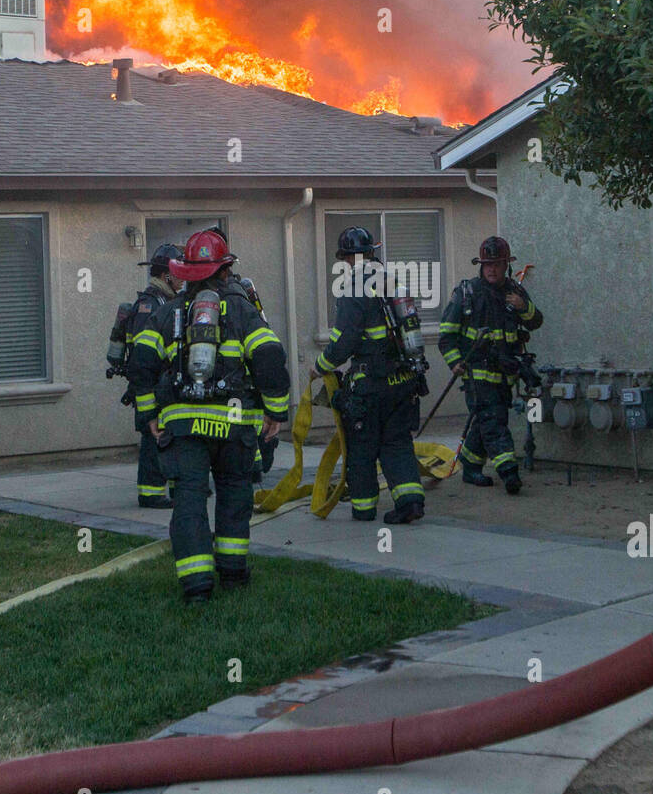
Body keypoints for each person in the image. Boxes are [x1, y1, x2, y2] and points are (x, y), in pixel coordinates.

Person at [130, 229, 290, 604]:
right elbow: (269, 357)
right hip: (234, 426)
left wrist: (149, 413)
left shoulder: (168, 313)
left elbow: (140, 364)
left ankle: (196, 584)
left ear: (184, 273)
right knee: (235, 494)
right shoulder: (242, 311)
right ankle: (233, 573)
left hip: (183, 426)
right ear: (224, 271)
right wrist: (275, 411)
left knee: (189, 499)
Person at [311, 226, 428, 524]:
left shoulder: (353, 288)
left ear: (348, 258)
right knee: (397, 443)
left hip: (372, 386)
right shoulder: (391, 281)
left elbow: (343, 342)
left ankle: (363, 510)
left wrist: (319, 368)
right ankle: (410, 501)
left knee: (362, 447)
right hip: (403, 382)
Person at [438, 236, 543, 495]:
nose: (492, 269)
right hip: (476, 375)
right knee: (494, 422)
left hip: (506, 375)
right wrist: (455, 363)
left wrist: (524, 307)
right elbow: (446, 336)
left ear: (506, 264)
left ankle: (471, 466)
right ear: (480, 266)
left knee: (486, 421)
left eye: (496, 264)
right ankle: (509, 472)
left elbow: (535, 321)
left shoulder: (515, 293)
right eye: (487, 264)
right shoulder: (467, 293)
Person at [120, 242, 181, 508]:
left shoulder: (165, 301)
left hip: (164, 381)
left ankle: (180, 487)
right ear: (167, 274)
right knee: (152, 434)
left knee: (169, 433)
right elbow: (144, 356)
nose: (182, 278)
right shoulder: (149, 305)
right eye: (178, 272)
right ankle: (151, 493)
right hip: (151, 383)